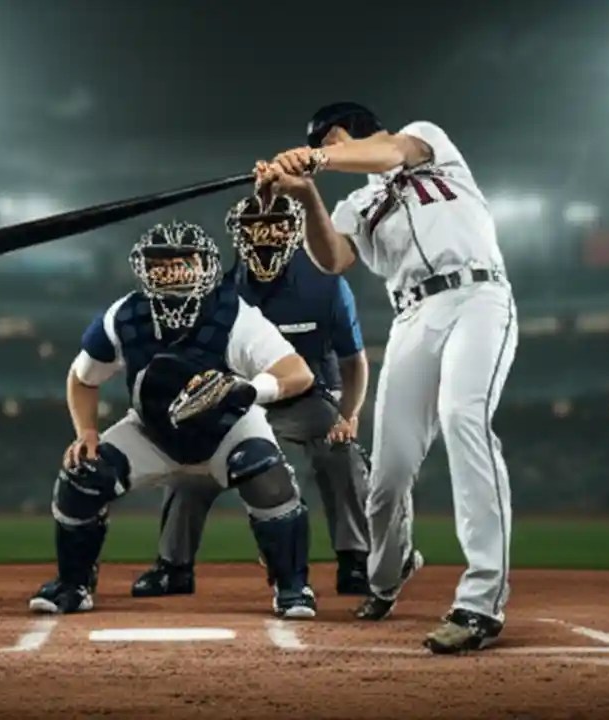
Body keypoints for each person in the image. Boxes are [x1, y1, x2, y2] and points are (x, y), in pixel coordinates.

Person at [257, 101, 518, 653]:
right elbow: (331, 259)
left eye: (327, 142)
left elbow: (389, 151)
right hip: (413, 317)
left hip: (477, 296)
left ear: (335, 133)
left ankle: (480, 602)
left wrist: (317, 158)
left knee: (462, 416)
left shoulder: (422, 137)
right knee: (389, 471)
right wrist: (305, 195)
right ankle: (388, 574)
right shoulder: (356, 202)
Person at [29, 220, 320, 618]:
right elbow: (81, 378)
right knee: (83, 474)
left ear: (207, 266)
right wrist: (87, 432)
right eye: (161, 263)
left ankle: (292, 586)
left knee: (264, 471)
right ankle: (73, 584)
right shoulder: (124, 316)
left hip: (229, 428)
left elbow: (298, 373)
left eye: (184, 262)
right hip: (153, 431)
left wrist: (250, 390)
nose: (172, 270)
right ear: (143, 267)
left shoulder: (234, 314)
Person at [130, 190, 374, 598]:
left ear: (295, 232)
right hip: (240, 397)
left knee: (341, 452)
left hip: (307, 396)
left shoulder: (326, 285)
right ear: (237, 236)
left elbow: (354, 361)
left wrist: (349, 416)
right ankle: (174, 566)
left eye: (275, 226)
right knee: (189, 464)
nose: (265, 235)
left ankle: (356, 561)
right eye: (255, 227)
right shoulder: (219, 292)